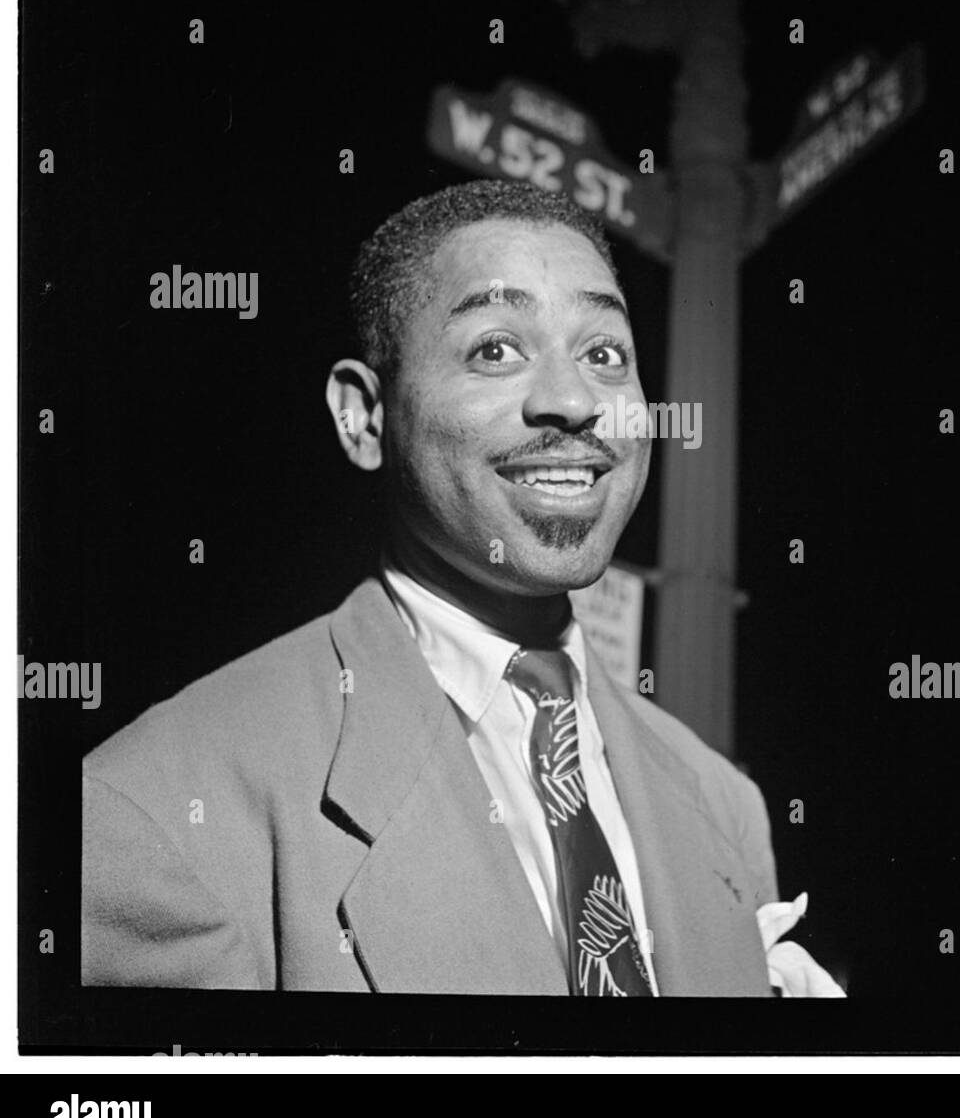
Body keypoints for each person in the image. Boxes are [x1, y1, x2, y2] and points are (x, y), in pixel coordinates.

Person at [82, 179, 841, 997]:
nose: (573, 401)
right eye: (495, 349)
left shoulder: (724, 805)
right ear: (364, 418)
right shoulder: (153, 810)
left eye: (603, 354)